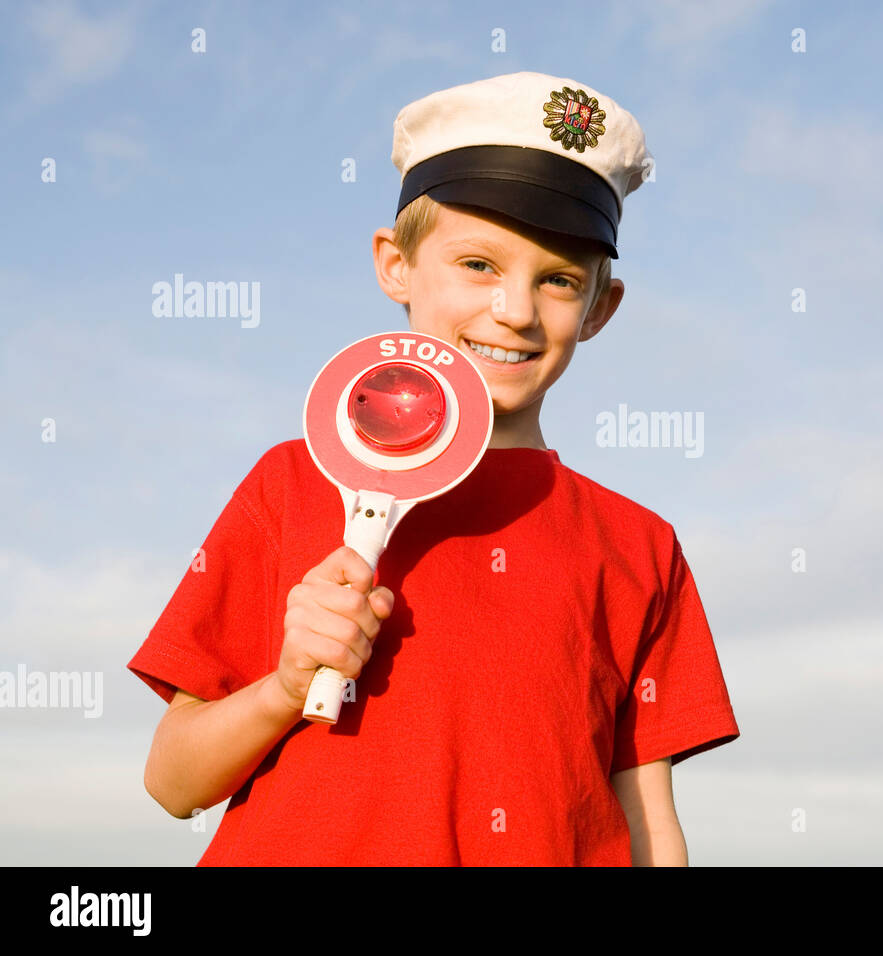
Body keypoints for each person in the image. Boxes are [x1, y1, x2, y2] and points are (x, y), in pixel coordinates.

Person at [128, 72, 740, 866]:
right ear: (395, 265)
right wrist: (286, 688)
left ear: (600, 308)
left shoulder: (639, 545)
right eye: (478, 264)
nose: (515, 309)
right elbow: (173, 783)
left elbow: (649, 820)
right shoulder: (291, 481)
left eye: (557, 279)